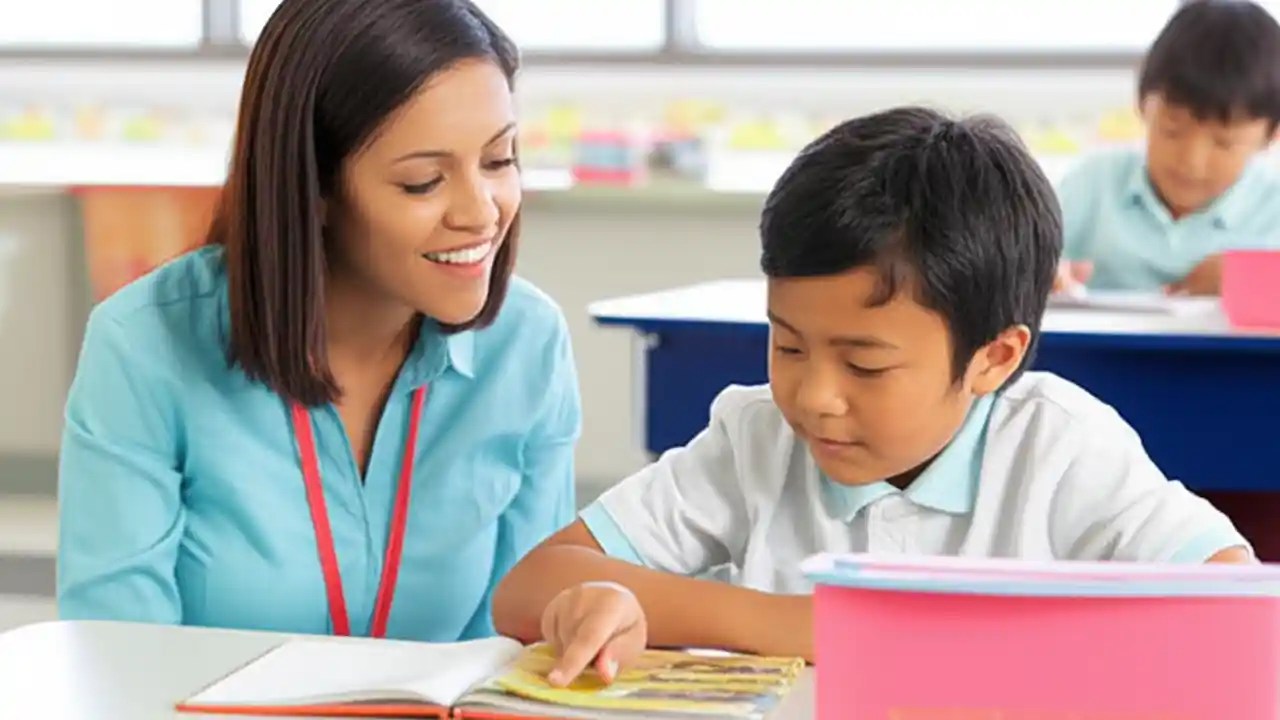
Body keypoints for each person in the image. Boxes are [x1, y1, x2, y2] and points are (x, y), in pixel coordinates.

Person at [493, 107, 1253, 685]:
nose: (814, 396)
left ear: (994, 357)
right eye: (787, 344)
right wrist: (798, 623)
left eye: (865, 365)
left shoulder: (1061, 446)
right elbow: (529, 586)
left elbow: (1236, 609)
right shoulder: (757, 438)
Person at [57, 0, 581, 642]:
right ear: (314, 188)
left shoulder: (528, 345)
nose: (480, 212)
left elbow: (516, 645)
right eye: (423, 182)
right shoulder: (143, 345)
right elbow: (116, 657)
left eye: (499, 161)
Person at [1055, 0, 1280, 296]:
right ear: (1143, 105)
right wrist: (1047, 276)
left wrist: (1252, 279)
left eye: (1223, 144)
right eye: (1172, 131)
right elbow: (1016, 256)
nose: (1191, 161)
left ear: (1271, 135)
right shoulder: (1094, 182)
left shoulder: (1273, 206)